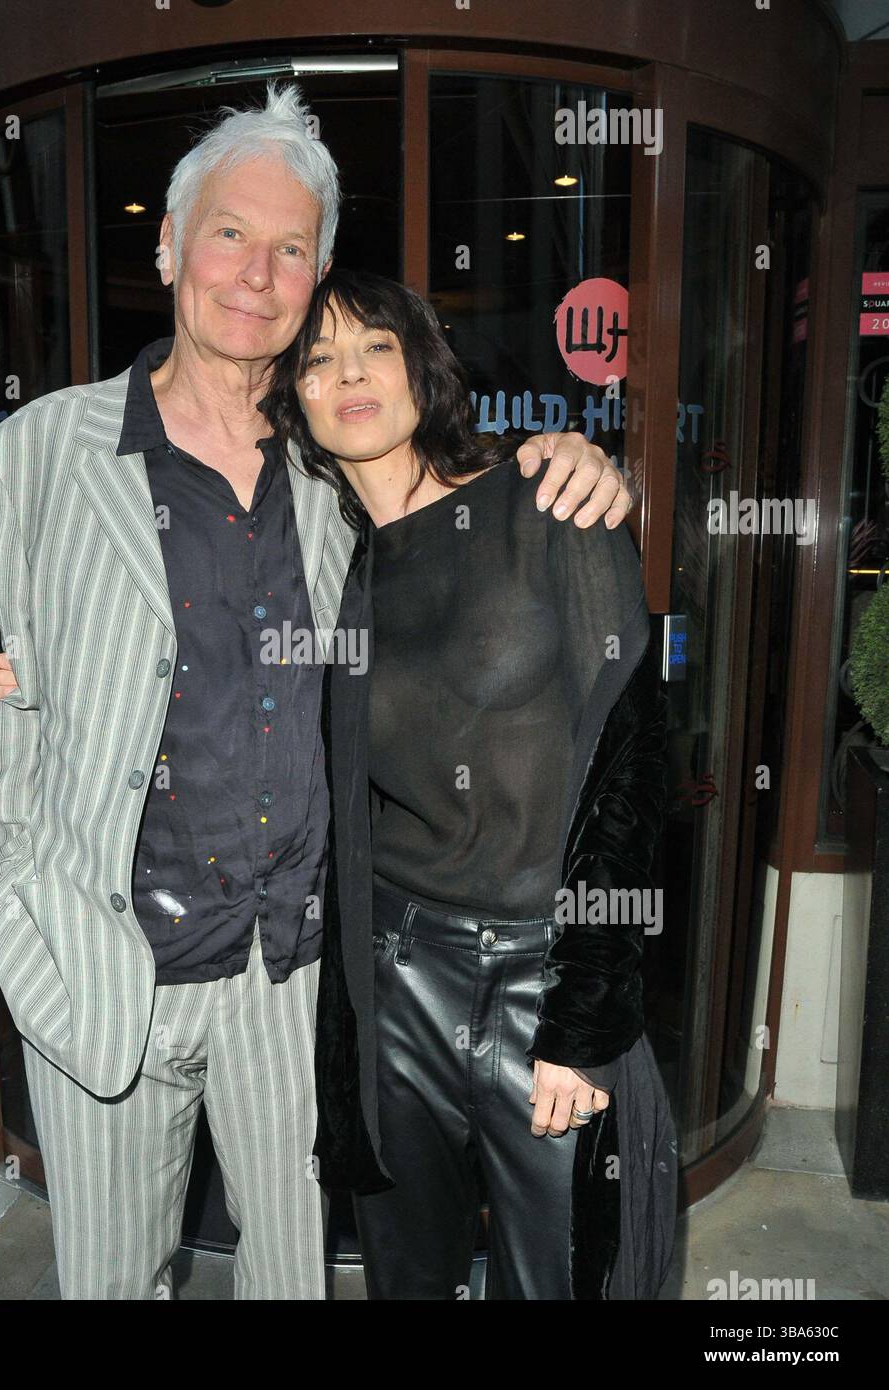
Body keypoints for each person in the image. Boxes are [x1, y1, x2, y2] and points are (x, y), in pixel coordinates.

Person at [0, 81, 634, 1301]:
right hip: (106, 959)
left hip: (297, 983)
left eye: (292, 248)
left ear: (319, 268)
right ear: (170, 243)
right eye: (230, 232)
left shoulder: (339, 477)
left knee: (293, 1277)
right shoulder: (28, 456)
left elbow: (471, 536)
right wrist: (24, 787)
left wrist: (574, 453)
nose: (256, 272)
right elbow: (25, 673)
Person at [255, 266, 676, 1300]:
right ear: (294, 401)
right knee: (408, 1274)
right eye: (317, 358)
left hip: (546, 978)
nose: (347, 372)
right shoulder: (328, 571)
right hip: (394, 975)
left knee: (558, 1278)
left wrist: (582, 1025)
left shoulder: (549, 504)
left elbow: (631, 762)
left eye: (375, 347)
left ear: (422, 370)